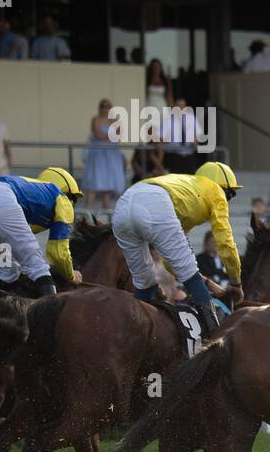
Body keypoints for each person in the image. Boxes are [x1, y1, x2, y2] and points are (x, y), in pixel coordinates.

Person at [111, 162, 243, 336]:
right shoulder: (214, 190)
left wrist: (209, 284)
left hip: (122, 206)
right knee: (189, 272)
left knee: (145, 281)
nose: (228, 200)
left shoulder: (183, 191)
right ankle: (216, 341)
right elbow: (225, 242)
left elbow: (169, 262)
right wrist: (235, 282)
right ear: (221, 186)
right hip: (154, 203)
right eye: (230, 194)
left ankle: (132, 335)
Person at [0, 167, 82, 295]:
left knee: (8, 270)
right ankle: (52, 313)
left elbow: (17, 232)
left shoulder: (31, 191)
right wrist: (71, 275)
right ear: (68, 193)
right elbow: (57, 252)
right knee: (38, 267)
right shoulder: (62, 198)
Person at [82, 98, 126, 209]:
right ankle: (86, 213)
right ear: (100, 108)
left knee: (107, 184)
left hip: (111, 155)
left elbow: (119, 135)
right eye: (103, 106)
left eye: (108, 107)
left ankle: (106, 216)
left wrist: (108, 137)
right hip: (98, 155)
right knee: (94, 181)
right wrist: (110, 137)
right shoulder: (95, 120)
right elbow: (98, 134)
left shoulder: (115, 121)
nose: (105, 109)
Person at [158, 97, 201, 175]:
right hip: (174, 156)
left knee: (191, 178)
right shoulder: (168, 120)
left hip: (189, 155)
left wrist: (195, 142)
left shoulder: (191, 118)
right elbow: (161, 138)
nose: (181, 108)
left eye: (183, 106)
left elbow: (198, 135)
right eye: (179, 106)